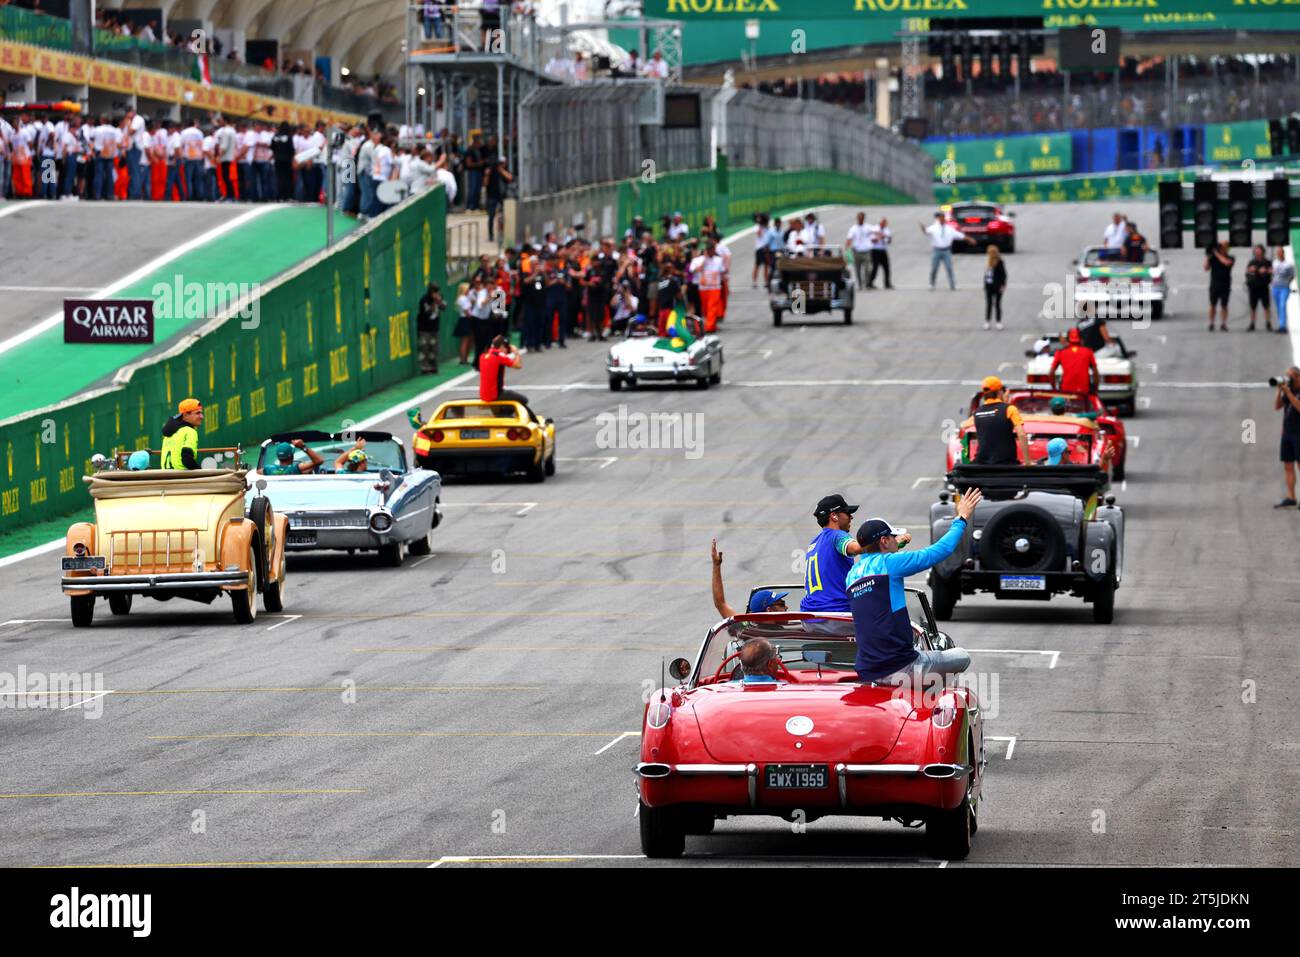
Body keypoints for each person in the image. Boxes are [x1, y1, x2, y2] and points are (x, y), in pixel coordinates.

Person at [847, 489, 983, 685]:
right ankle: (932, 705)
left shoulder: (852, 575)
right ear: (884, 541)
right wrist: (961, 518)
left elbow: (881, 559)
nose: (896, 540)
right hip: (901, 668)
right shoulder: (890, 563)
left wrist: (897, 544)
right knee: (962, 656)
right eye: (893, 537)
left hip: (867, 670)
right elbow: (940, 551)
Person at [800, 494, 869, 614]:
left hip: (809, 616)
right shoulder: (837, 535)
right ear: (834, 516)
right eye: (847, 513)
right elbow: (855, 548)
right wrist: (886, 541)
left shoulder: (814, 544)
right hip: (835, 615)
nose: (851, 517)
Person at [710, 540, 788, 618]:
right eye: (782, 604)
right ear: (769, 610)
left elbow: (721, 605)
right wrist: (716, 565)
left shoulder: (742, 627)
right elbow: (721, 605)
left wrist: (716, 566)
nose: (787, 607)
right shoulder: (743, 627)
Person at [971, 376, 1030, 466]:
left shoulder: (977, 413)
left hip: (981, 464)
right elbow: (1021, 434)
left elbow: (990, 431)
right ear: (1000, 392)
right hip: (1005, 464)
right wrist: (1027, 462)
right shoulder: (1009, 409)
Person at [922, 211, 971, 290]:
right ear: (938, 219)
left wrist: (969, 239)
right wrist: (923, 228)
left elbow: (959, 235)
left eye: (942, 217)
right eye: (939, 218)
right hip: (936, 250)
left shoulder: (949, 229)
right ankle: (932, 283)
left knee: (949, 268)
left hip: (946, 251)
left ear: (944, 219)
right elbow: (926, 232)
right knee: (934, 268)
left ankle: (952, 285)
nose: (941, 219)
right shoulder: (933, 228)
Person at [479, 335, 531, 410]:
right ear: (502, 346)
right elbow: (518, 365)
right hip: (496, 394)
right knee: (524, 400)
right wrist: (516, 353)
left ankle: (501, 413)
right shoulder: (499, 355)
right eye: (507, 347)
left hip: (483, 395)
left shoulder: (484, 355)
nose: (508, 350)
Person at [1275, 367, 1300, 508]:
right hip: (1287, 433)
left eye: (1289, 377)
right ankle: (1291, 497)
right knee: (1288, 465)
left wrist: (1289, 393)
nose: (1287, 379)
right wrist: (1279, 391)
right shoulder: (1288, 390)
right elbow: (1277, 406)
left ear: (1297, 377)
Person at [1050, 328, 1099, 395]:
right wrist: (1095, 389)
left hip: (1066, 391)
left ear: (1068, 339)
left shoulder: (1060, 353)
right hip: (1084, 391)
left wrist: (1054, 388)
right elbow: (1095, 372)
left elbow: (1051, 373)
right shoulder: (1088, 352)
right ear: (1081, 339)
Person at [161, 398, 203, 470]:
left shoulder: (169, 432)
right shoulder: (189, 431)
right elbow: (187, 459)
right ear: (186, 415)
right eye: (197, 413)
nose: (202, 417)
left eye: (201, 413)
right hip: (182, 478)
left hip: (166, 477)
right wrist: (201, 471)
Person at [1205, 241, 1235, 331]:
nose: (1222, 249)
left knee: (1224, 305)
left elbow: (1226, 263)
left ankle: (1223, 323)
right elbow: (1206, 268)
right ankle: (1211, 323)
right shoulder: (1213, 258)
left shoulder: (1231, 257)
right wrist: (1208, 256)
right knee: (1212, 305)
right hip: (1214, 284)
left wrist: (1216, 254)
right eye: (1221, 247)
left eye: (1224, 247)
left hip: (1225, 285)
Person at [1244, 244, 1274, 332]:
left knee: (1266, 306)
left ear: (1263, 251)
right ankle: (1252, 323)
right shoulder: (1252, 262)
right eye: (1256, 250)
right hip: (1253, 287)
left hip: (1264, 286)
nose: (1257, 252)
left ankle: (1268, 322)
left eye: (1259, 250)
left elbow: (1272, 270)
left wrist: (1266, 270)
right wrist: (1252, 269)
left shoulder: (1267, 262)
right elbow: (1247, 271)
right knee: (1253, 306)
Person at [417, 282, 444, 373]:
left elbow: (443, 307)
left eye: (437, 291)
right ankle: (424, 368)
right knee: (424, 348)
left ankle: (433, 366)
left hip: (434, 327)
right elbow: (427, 312)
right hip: (424, 328)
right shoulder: (424, 300)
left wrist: (439, 301)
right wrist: (433, 302)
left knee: (434, 348)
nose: (436, 293)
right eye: (434, 291)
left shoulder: (439, 297)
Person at [847, 211, 873, 289]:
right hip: (857, 251)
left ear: (864, 219)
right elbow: (849, 239)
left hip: (866, 251)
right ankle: (860, 284)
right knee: (857, 269)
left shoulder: (868, 227)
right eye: (859, 218)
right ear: (857, 218)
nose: (860, 219)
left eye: (862, 218)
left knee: (867, 268)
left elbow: (875, 233)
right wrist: (847, 249)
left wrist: (878, 237)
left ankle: (866, 282)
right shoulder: (853, 228)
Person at [983, 245, 1006, 331]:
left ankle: (998, 322)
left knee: (997, 304)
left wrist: (1003, 285)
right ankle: (987, 321)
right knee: (988, 304)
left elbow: (1004, 274)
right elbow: (986, 274)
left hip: (997, 286)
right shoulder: (988, 261)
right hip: (989, 286)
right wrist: (985, 285)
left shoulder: (1000, 262)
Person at [1272, 248, 1295, 334]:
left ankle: (1283, 326)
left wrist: (1287, 282)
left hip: (1284, 287)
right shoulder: (1275, 263)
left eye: (1280, 252)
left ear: (1283, 253)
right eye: (1278, 252)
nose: (1279, 254)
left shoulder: (1288, 264)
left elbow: (1292, 275)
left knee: (1282, 305)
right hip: (1275, 287)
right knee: (1278, 307)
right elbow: (1273, 274)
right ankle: (1281, 324)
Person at [867, 217, 893, 289]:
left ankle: (887, 283)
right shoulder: (874, 229)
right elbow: (872, 240)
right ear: (880, 222)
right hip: (875, 250)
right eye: (884, 223)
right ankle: (870, 282)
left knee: (886, 267)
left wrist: (887, 238)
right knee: (875, 267)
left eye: (886, 223)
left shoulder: (887, 229)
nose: (885, 224)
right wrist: (880, 237)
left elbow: (889, 240)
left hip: (883, 249)